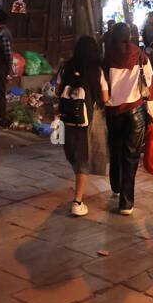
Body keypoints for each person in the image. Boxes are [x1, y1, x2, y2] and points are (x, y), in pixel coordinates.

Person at [103, 22, 153, 215]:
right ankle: (126, 202)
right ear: (130, 36)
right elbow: (149, 82)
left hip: (113, 112)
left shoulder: (107, 56)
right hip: (135, 111)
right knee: (131, 156)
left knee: (115, 148)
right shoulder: (141, 56)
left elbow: (103, 84)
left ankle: (115, 185)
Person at [57, 36, 110, 216]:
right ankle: (77, 201)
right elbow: (105, 98)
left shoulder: (66, 68)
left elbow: (58, 90)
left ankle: (78, 193)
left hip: (67, 118)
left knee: (75, 154)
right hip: (88, 119)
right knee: (84, 158)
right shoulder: (97, 71)